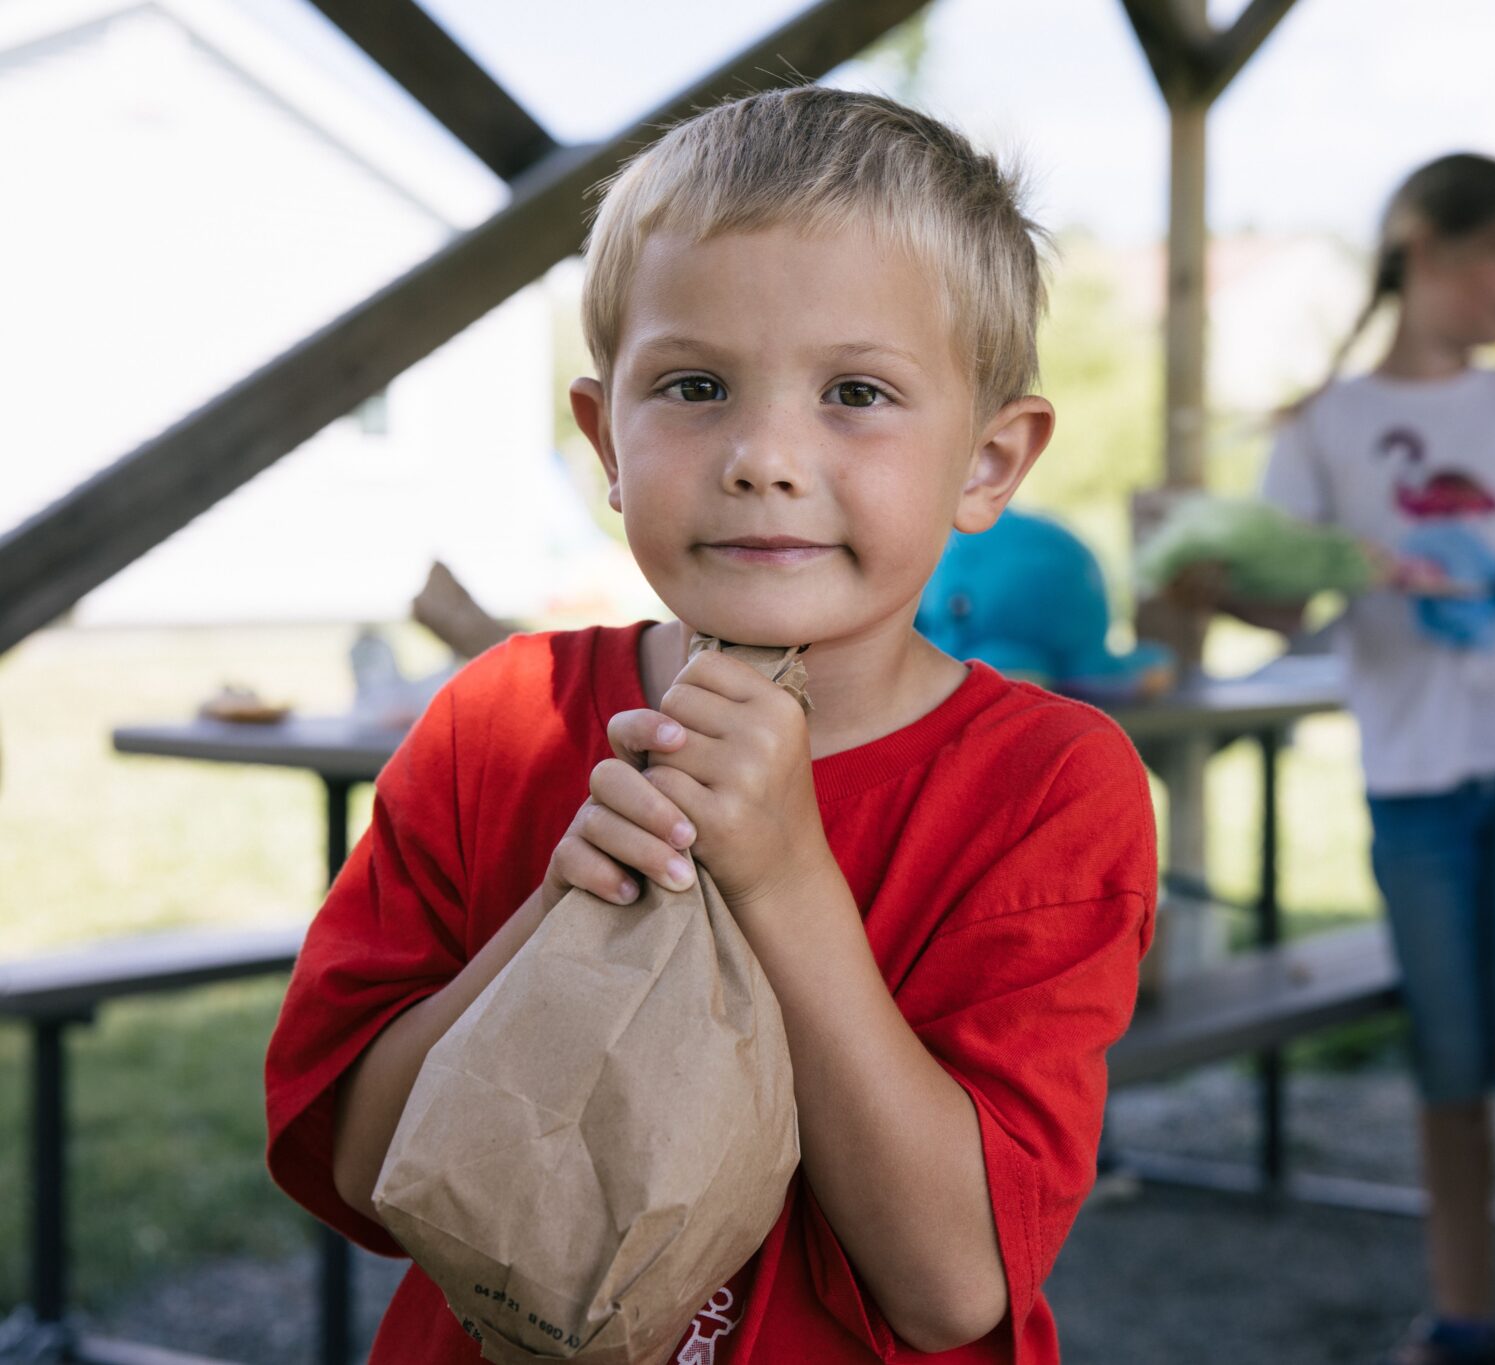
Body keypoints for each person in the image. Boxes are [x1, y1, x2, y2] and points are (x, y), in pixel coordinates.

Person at [263, 87, 1157, 1365]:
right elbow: (360, 1170)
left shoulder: (1049, 790)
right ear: (604, 439)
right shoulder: (496, 727)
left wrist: (785, 876)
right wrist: (556, 909)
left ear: (988, 463)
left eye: (855, 391)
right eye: (693, 385)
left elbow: (953, 1284)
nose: (761, 456)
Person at [1192, 153, 1495, 1365]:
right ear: (1421, 246)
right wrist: (1210, 575)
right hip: (1413, 786)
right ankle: (1464, 1317)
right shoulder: (1324, 427)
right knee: (1450, 1055)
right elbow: (1284, 607)